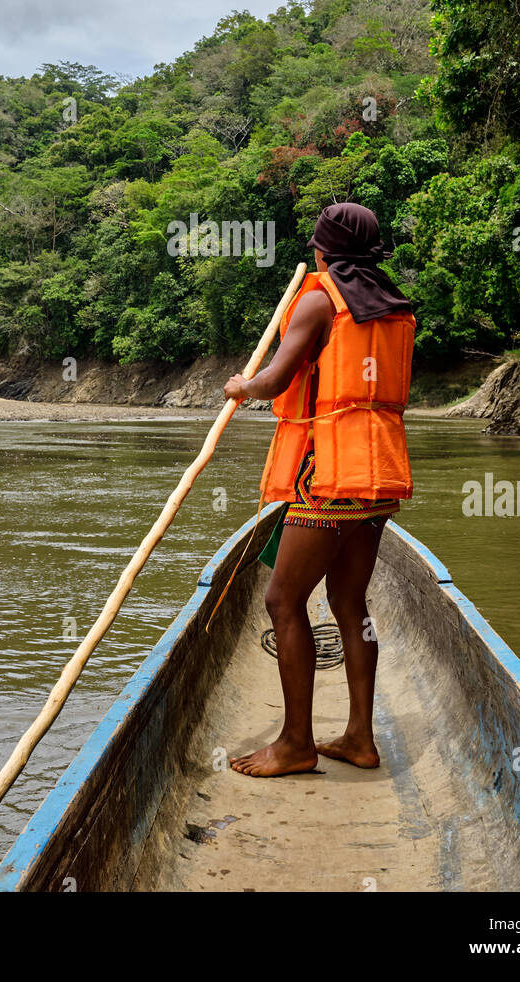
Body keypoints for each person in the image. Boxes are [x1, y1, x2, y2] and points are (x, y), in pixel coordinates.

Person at [223, 202, 415, 777]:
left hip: (327, 478)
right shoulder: (396, 307)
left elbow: (275, 380)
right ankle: (359, 738)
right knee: (350, 602)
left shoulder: (319, 300)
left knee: (282, 601)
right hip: (377, 477)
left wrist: (242, 385)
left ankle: (296, 744)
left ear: (323, 251)